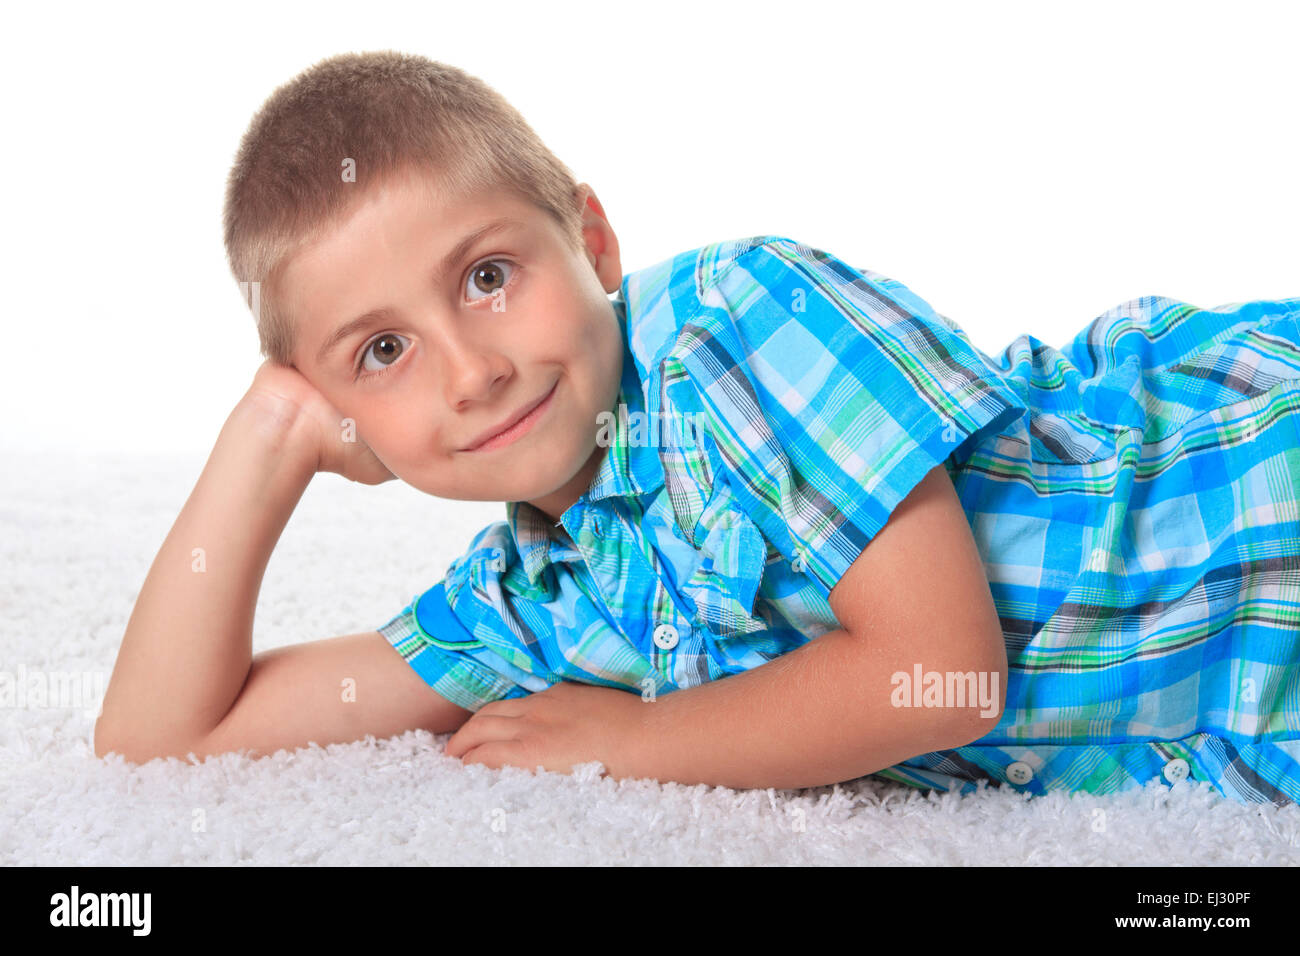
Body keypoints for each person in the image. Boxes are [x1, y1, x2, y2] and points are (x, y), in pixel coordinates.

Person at [94, 51, 1300, 806]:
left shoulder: (730, 322)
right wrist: (263, 440)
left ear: (595, 241)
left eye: (486, 275)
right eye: (382, 352)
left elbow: (944, 675)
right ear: (345, 415)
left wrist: (633, 741)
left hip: (1251, 497)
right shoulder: (542, 599)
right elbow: (159, 741)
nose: (471, 369)